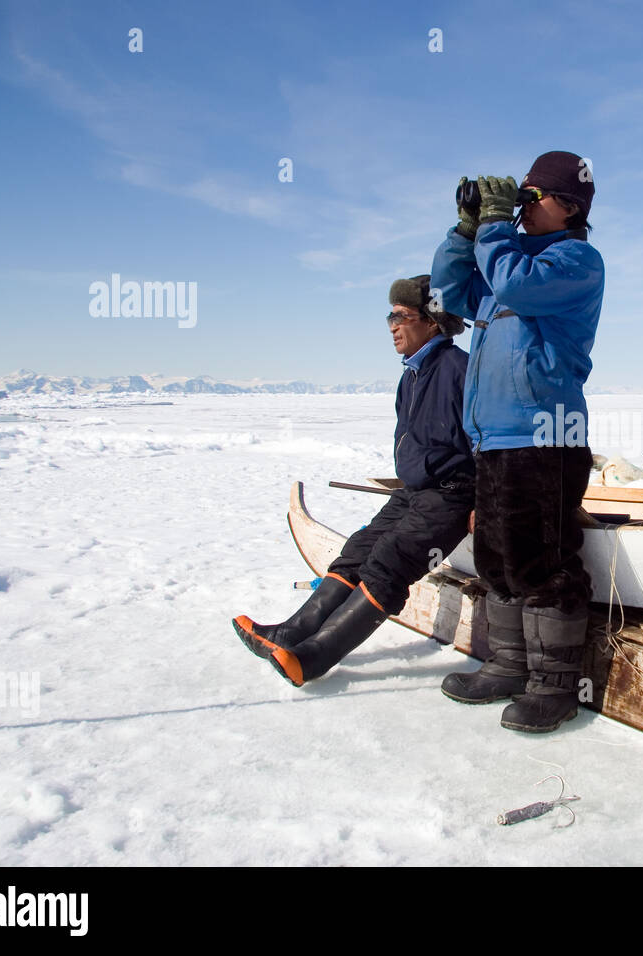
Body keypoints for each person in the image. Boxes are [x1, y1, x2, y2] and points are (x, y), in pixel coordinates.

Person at [430, 150, 604, 733]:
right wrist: (466, 230)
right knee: (498, 560)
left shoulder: (575, 260)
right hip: (496, 436)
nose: (524, 209)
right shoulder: (506, 261)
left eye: (535, 198)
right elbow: (448, 293)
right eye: (519, 197)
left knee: (545, 563)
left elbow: (514, 284)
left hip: (545, 437)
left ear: (571, 206)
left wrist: (498, 226)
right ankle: (507, 664)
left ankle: (554, 687)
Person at [232, 276, 473, 686]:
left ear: (432, 322)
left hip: (451, 494)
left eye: (402, 316)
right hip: (414, 491)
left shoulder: (460, 371)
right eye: (389, 317)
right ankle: (292, 633)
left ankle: (312, 657)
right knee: (356, 551)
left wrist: (483, 504)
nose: (393, 326)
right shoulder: (411, 376)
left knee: (389, 563)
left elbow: (490, 444)